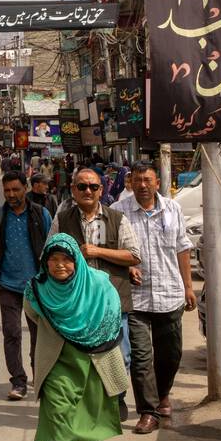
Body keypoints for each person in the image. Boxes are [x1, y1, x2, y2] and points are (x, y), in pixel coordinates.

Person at [24, 234, 126, 441]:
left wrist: (90, 334)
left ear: (77, 261)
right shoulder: (36, 288)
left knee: (90, 412)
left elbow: (113, 314)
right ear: (45, 262)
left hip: (96, 357)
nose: (60, 265)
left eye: (67, 259)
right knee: (58, 410)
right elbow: (33, 315)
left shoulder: (99, 284)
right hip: (57, 358)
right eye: (53, 259)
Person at [51, 166, 141, 422]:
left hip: (112, 301)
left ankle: (117, 398)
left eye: (93, 186)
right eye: (82, 186)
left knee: (120, 355)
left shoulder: (116, 219)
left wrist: (98, 251)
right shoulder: (62, 220)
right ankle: (86, 404)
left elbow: (134, 255)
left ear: (101, 190)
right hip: (76, 302)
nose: (87, 191)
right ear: (73, 190)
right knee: (79, 356)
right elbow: (49, 255)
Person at [113, 162, 196, 434]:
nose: (142, 185)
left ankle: (163, 394)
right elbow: (111, 250)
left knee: (170, 354)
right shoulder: (118, 211)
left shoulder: (173, 209)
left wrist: (188, 287)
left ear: (157, 183)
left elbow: (182, 248)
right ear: (130, 183)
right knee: (141, 357)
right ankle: (148, 412)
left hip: (169, 294)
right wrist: (128, 267)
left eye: (147, 180)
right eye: (137, 180)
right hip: (135, 298)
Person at [0, 171, 52, 401]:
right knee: (11, 334)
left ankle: (40, 378)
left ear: (25, 189)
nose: (11, 194)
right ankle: (18, 381)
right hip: (8, 284)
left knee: (39, 337)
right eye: (7, 190)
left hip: (37, 286)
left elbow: (52, 246)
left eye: (15, 190)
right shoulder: (0, 215)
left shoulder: (41, 214)